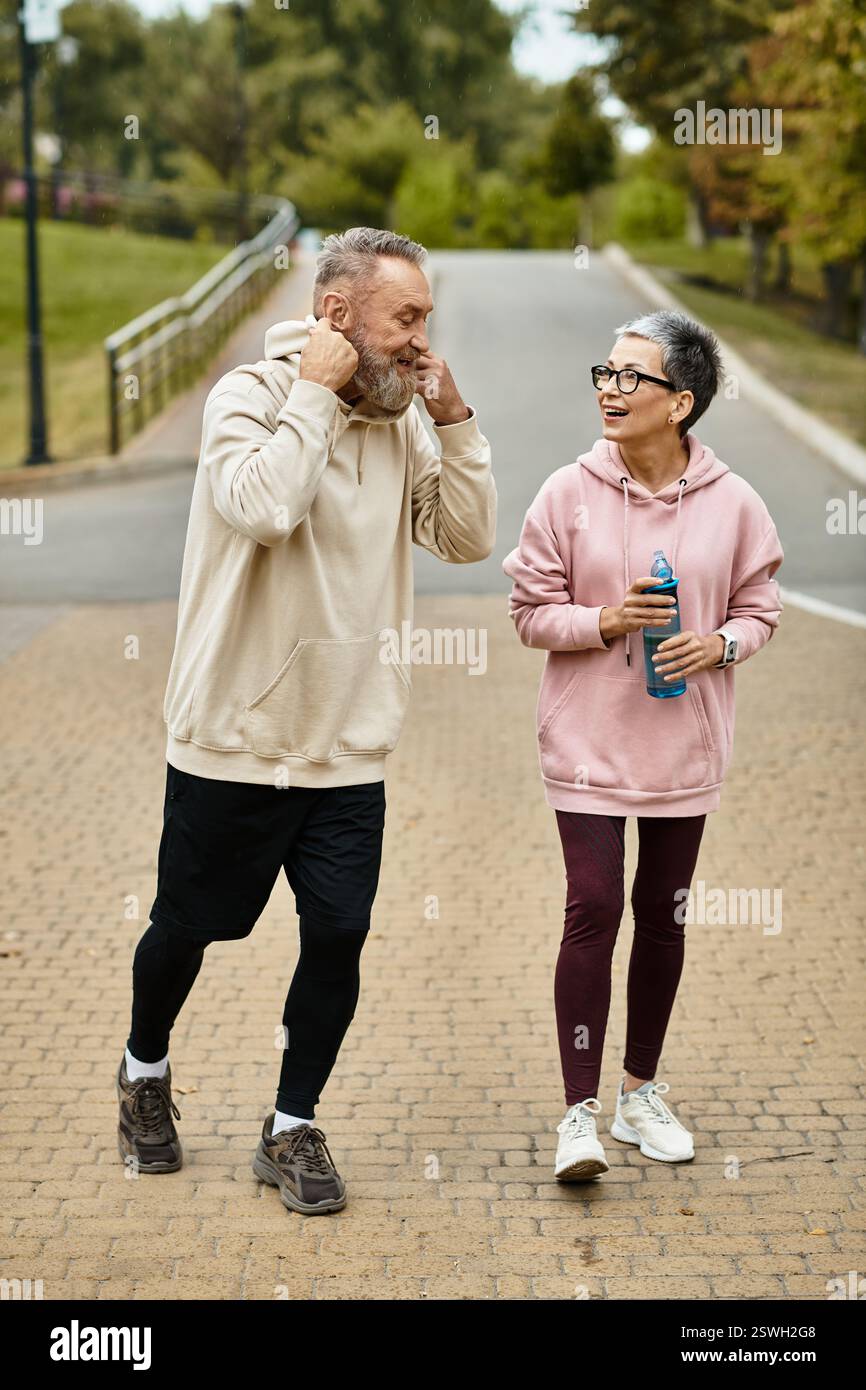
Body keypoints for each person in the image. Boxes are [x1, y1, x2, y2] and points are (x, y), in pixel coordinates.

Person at [117, 227, 497, 1214]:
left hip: (347, 746)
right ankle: (144, 1069)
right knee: (186, 929)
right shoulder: (248, 397)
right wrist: (316, 396)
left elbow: (462, 538)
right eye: (405, 317)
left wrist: (454, 423)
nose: (421, 341)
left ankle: (290, 1127)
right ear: (336, 316)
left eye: (427, 318)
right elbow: (263, 507)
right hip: (234, 741)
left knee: (336, 935)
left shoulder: (407, 416)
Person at [502, 309, 783, 1181]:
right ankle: (577, 1115)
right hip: (587, 744)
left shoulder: (734, 502)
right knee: (593, 906)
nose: (610, 390)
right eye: (606, 373)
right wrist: (605, 620)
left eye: (633, 378)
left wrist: (722, 644)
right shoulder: (566, 492)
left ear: (681, 401)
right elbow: (527, 616)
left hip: (682, 750)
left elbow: (760, 609)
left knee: (663, 916)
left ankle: (639, 1094)